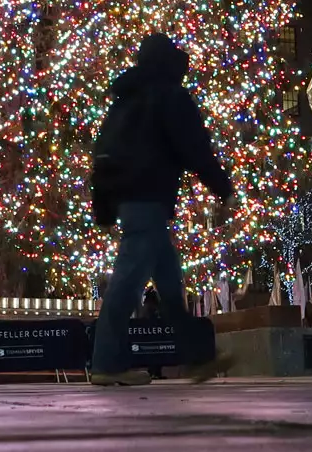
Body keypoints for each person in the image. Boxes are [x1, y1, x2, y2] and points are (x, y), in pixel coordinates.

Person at [88, 33, 236, 387]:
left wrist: (105, 208)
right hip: (149, 199)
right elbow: (194, 146)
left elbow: (104, 155)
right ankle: (107, 363)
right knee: (126, 284)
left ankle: (199, 358)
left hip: (132, 201)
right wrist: (222, 188)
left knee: (169, 285)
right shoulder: (168, 95)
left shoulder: (124, 101)